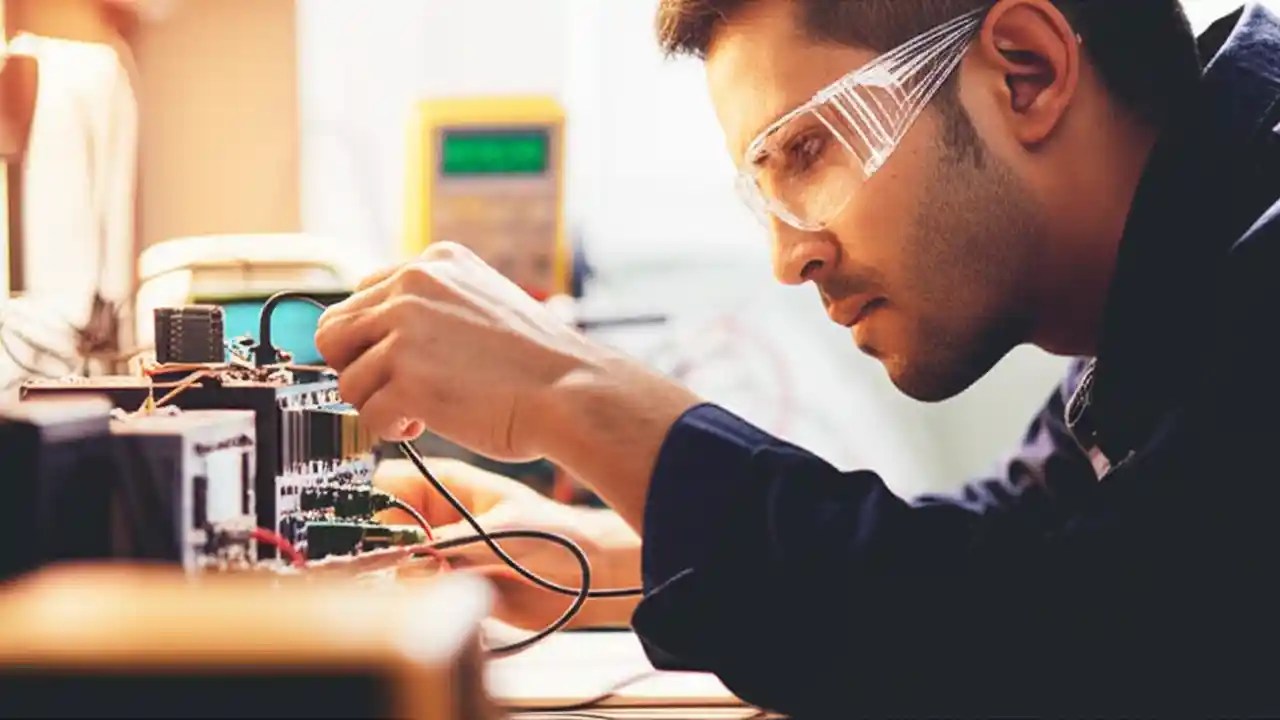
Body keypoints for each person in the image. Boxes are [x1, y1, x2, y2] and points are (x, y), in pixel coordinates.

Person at [316, 0, 1280, 714]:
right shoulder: (1174, 272)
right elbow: (1016, 555)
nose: (791, 257)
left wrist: (569, 387)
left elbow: (1074, 652)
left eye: (810, 150)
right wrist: (611, 561)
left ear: (1025, 72)